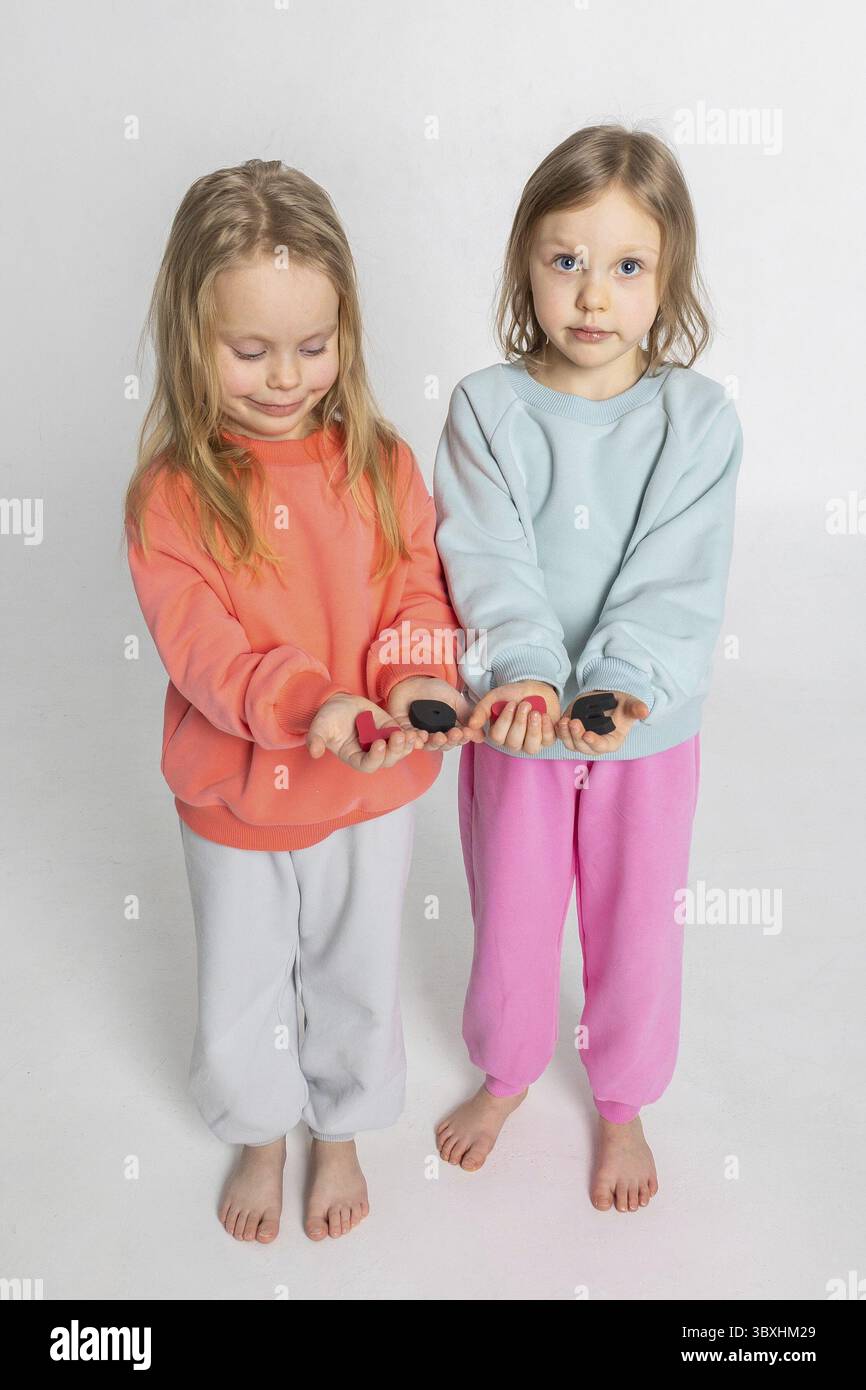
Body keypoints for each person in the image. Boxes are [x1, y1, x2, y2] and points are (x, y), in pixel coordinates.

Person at [124, 158, 472, 1243]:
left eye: (312, 347)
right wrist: (307, 701)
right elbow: (204, 649)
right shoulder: (173, 495)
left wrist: (416, 674)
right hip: (235, 795)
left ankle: (340, 1127)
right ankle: (260, 1127)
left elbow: (419, 582)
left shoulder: (381, 463)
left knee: (354, 972)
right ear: (193, 339)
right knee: (241, 982)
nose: (285, 377)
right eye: (250, 351)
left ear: (346, 334)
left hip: (366, 795)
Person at [432, 124, 744, 1213]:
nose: (591, 295)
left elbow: (673, 572)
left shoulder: (694, 420)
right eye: (565, 260)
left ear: (666, 278)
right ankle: (506, 1070)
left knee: (632, 919)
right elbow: (485, 555)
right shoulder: (485, 407)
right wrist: (522, 674)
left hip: (641, 730)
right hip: (516, 724)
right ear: (524, 259)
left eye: (625, 266)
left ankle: (621, 1101)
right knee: (512, 909)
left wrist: (612, 688)